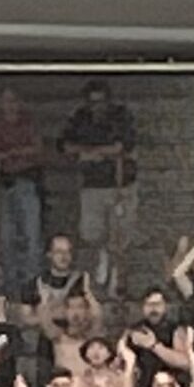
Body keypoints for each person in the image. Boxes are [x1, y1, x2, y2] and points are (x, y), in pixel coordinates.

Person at [57, 81, 137, 288]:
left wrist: (95, 152)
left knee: (120, 236)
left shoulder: (121, 116)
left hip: (120, 184)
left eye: (101, 102)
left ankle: (118, 283)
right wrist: (88, 151)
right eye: (93, 103)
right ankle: (99, 270)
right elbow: (64, 145)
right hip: (91, 185)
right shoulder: (80, 118)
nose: (97, 107)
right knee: (91, 233)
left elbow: (123, 145)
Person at [0, 88, 46, 292]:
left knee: (31, 233)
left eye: (13, 100)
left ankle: (32, 282)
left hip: (26, 180)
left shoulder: (28, 123)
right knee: (6, 235)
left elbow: (38, 149)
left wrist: (12, 153)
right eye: (5, 101)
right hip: (3, 183)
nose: (9, 105)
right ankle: (11, 283)